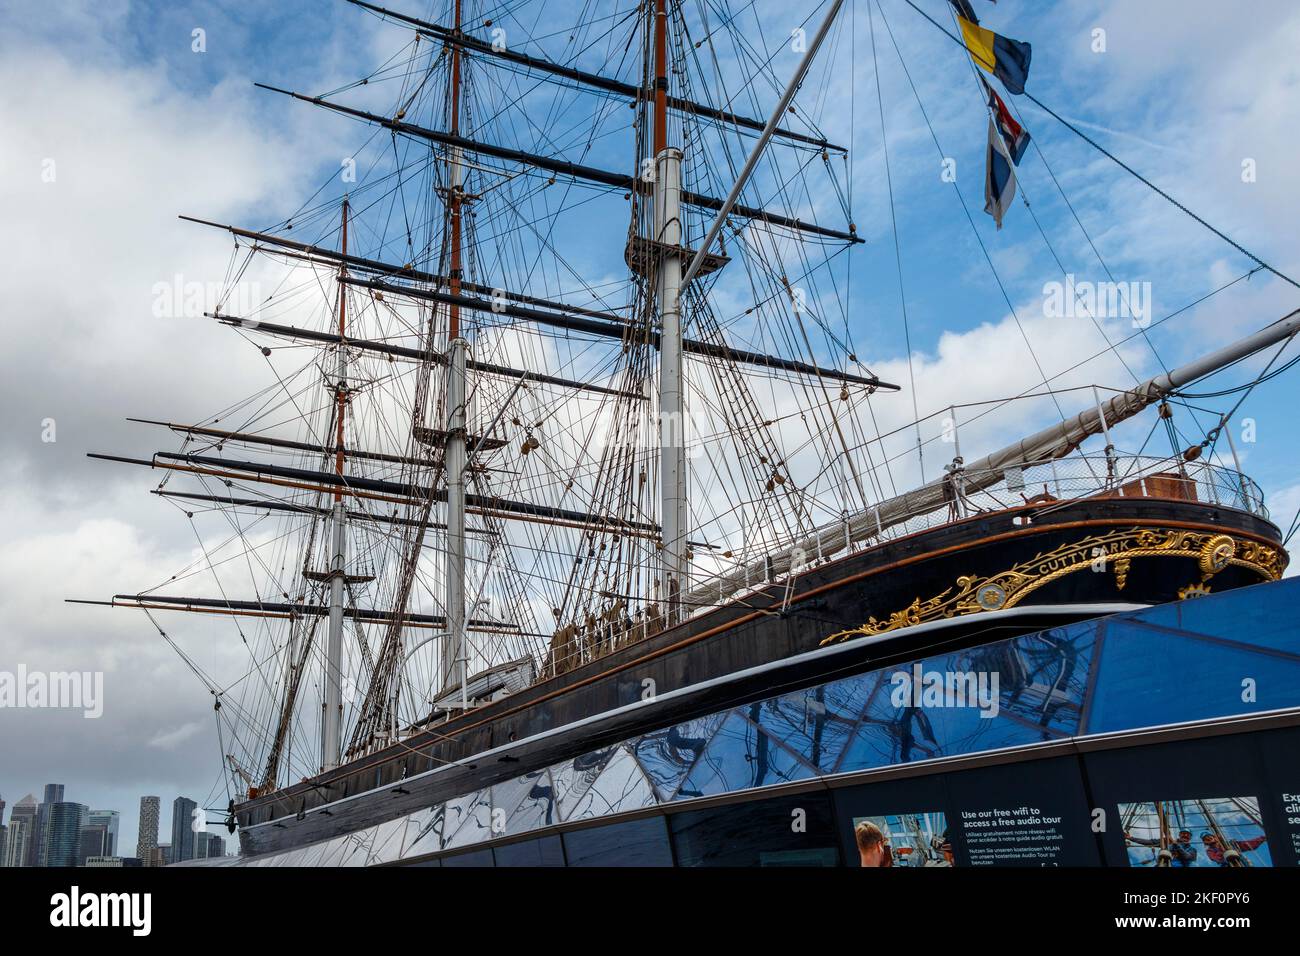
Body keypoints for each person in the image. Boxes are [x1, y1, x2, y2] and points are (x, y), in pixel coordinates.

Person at [1126, 828, 1198, 866]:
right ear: (1179, 835)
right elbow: (1150, 842)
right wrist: (1131, 838)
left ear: (1190, 837)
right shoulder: (1168, 842)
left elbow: (1188, 858)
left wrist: (1176, 845)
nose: (1185, 835)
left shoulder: (1192, 850)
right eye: (1183, 833)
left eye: (1187, 834)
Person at [1200, 831, 1266, 866]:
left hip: (1243, 862)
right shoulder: (1210, 851)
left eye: (1209, 836)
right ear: (1205, 842)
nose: (1208, 838)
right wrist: (1225, 852)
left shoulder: (1230, 844)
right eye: (1205, 839)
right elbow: (1216, 858)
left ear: (1214, 837)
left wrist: (1262, 838)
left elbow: (1247, 845)